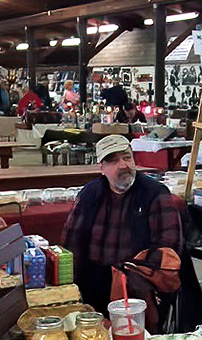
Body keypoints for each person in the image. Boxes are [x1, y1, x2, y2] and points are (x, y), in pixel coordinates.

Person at [63, 135, 183, 329]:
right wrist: (72, 294)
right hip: (94, 287)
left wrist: (130, 274)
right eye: (112, 160)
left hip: (139, 290)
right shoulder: (89, 195)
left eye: (126, 157)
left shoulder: (155, 194)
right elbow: (71, 245)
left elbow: (170, 249)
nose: (122, 165)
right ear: (101, 168)